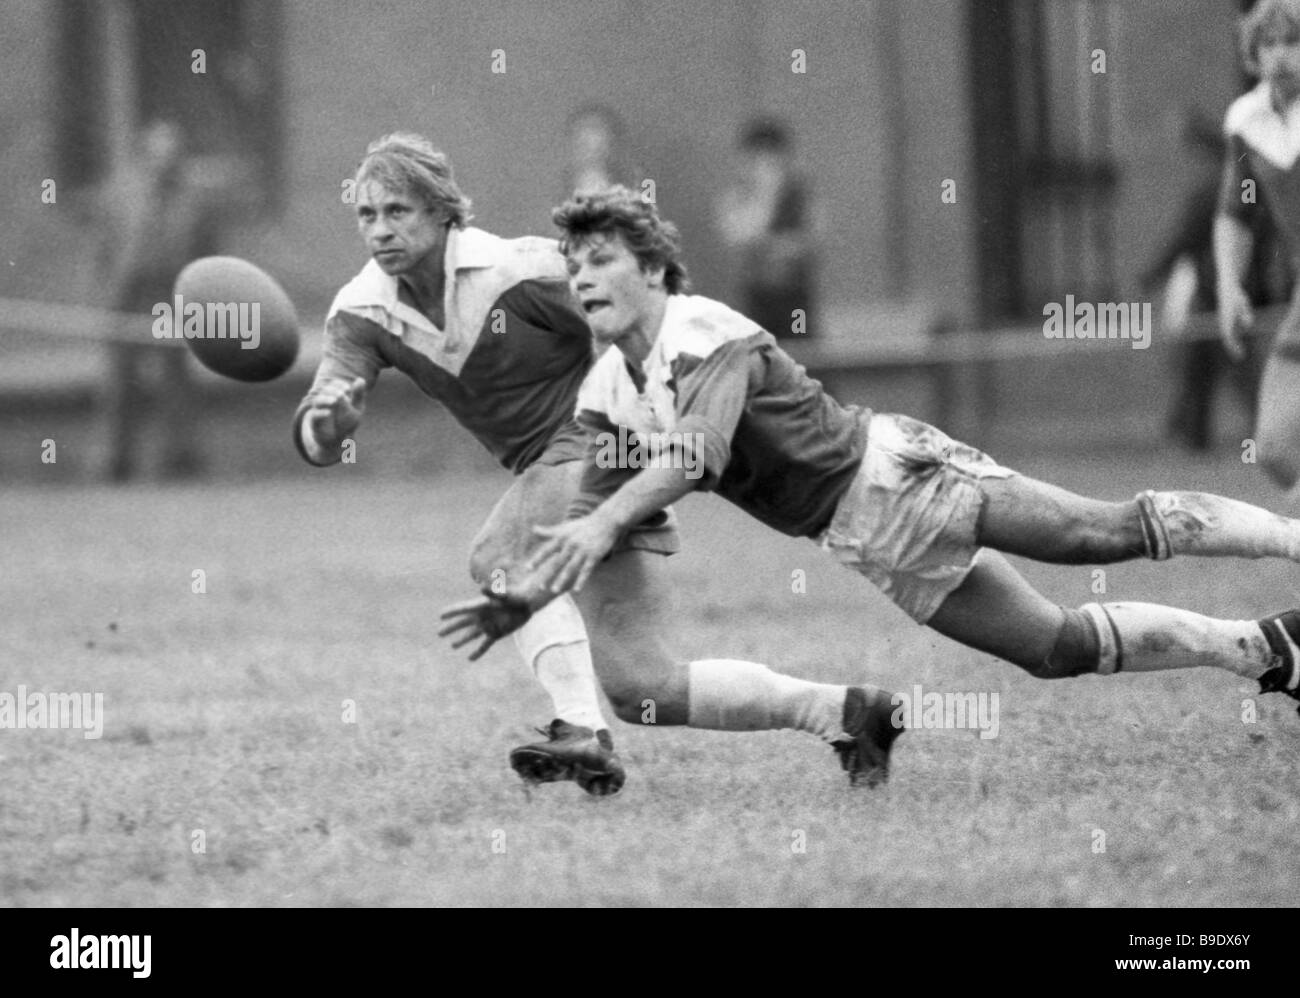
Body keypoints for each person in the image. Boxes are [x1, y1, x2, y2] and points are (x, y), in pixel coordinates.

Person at [441, 188, 1300, 788]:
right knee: (1056, 650)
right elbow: (587, 508)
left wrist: (596, 529)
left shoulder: (702, 329)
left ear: (658, 272)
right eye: (575, 267)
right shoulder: (606, 391)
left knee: (1101, 535)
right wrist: (525, 591)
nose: (584, 279)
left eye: (603, 261)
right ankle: (1265, 650)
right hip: (863, 544)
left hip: (900, 477)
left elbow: (696, 455)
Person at [296, 134, 688, 796]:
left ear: (443, 210)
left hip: (607, 442)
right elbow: (317, 432)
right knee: (646, 685)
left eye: (398, 211)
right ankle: (846, 713)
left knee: (498, 556)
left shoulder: (524, 271)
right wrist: (324, 424)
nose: (380, 230)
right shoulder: (361, 312)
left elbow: (651, 319)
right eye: (367, 216)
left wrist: (650, 411)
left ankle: (580, 735)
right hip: (555, 473)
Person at [1141, 108, 1289, 451]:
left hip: (1219, 294)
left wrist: (1152, 275)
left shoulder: (1218, 190)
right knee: (1217, 367)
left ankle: (1246, 436)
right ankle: (1197, 434)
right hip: (1240, 291)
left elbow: (1186, 238)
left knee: (1224, 368)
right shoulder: (1249, 184)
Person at [94, 120, 212, 482]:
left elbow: (209, 252)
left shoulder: (195, 200)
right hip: (130, 296)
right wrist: (107, 295)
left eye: (173, 153)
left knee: (175, 377)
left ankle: (180, 457)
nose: (166, 160)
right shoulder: (122, 194)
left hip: (170, 295)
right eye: (159, 152)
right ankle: (116, 460)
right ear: (146, 155)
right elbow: (105, 250)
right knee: (121, 380)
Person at [1216, 0, 1300, 488]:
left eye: (1293, 42)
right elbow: (1235, 213)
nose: (1282, 56)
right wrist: (1229, 285)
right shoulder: (1246, 120)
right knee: (1274, 447)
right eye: (1269, 44)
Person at [715, 117, 817, 340]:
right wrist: (765, 195)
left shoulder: (800, 197)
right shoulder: (735, 198)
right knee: (758, 357)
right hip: (755, 300)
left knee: (801, 353)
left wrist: (772, 248)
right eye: (754, 160)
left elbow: (808, 243)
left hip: (795, 301)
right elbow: (740, 239)